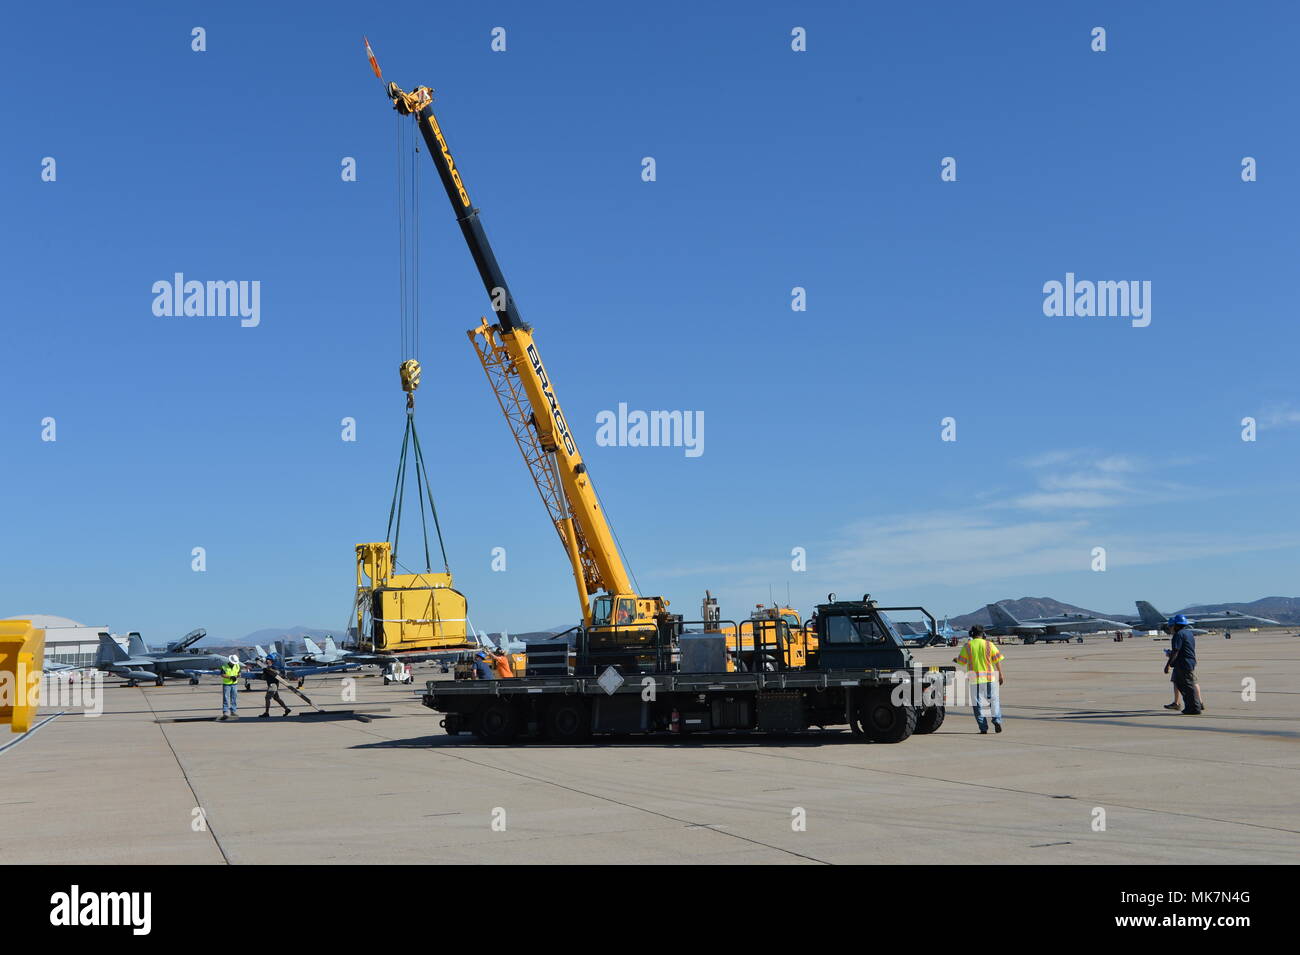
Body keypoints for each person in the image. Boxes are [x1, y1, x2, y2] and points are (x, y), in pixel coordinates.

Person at [954, 625, 1005, 734]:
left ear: (971, 634)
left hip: (974, 679)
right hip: (989, 678)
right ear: (983, 634)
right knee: (993, 701)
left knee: (977, 704)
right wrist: (1000, 674)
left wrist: (956, 660)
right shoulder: (989, 644)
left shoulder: (968, 646)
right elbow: (997, 660)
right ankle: (996, 720)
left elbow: (962, 662)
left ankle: (983, 728)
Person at [1164, 615, 1203, 715]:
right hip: (1188, 662)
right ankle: (1190, 706)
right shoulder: (1188, 633)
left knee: (1188, 687)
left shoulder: (1178, 635)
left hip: (1183, 663)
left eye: (1170, 626)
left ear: (1176, 626)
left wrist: (1168, 664)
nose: (1170, 628)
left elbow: (1176, 651)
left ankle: (1194, 708)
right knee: (1181, 684)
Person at [219, 655, 243, 721]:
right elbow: (222, 674)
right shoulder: (224, 666)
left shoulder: (237, 665)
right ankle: (225, 712)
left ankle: (233, 711)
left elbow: (239, 672)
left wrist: (238, 676)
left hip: (234, 684)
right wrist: (230, 677)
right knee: (226, 698)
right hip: (227, 684)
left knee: (234, 697)